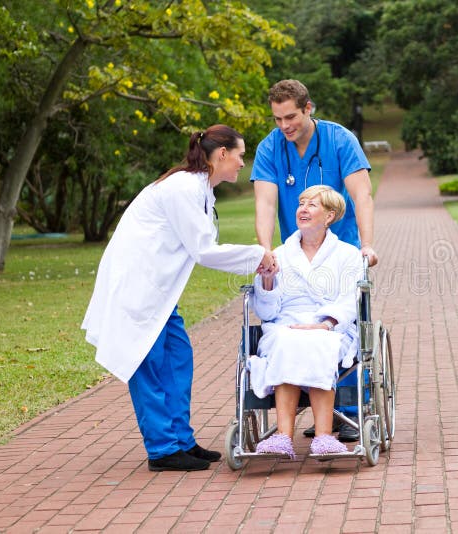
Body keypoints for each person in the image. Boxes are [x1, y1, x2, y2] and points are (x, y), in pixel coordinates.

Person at [82, 125, 275, 472]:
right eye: (240, 156)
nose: (242, 164)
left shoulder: (198, 188)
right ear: (221, 155)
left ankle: (181, 440)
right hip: (139, 287)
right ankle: (163, 449)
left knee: (177, 358)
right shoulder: (183, 188)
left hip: (159, 291)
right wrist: (257, 255)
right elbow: (203, 250)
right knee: (150, 364)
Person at [250, 79, 377, 442]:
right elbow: (265, 203)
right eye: (277, 119)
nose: (284, 126)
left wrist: (366, 246)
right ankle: (311, 413)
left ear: (309, 109)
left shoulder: (340, 140)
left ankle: (348, 413)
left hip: (342, 249)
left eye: (290, 116)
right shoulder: (270, 148)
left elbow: (362, 195)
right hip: (296, 251)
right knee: (293, 323)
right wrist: (266, 251)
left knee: (345, 325)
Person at [248, 185, 362, 457]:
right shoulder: (278, 255)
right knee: (287, 340)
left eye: (312, 204)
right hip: (285, 325)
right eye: (301, 203)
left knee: (318, 341)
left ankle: (323, 437)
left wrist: (325, 323)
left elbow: (351, 299)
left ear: (330, 215)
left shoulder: (348, 255)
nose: (303, 208)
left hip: (330, 327)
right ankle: (282, 437)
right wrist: (267, 281)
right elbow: (266, 312)